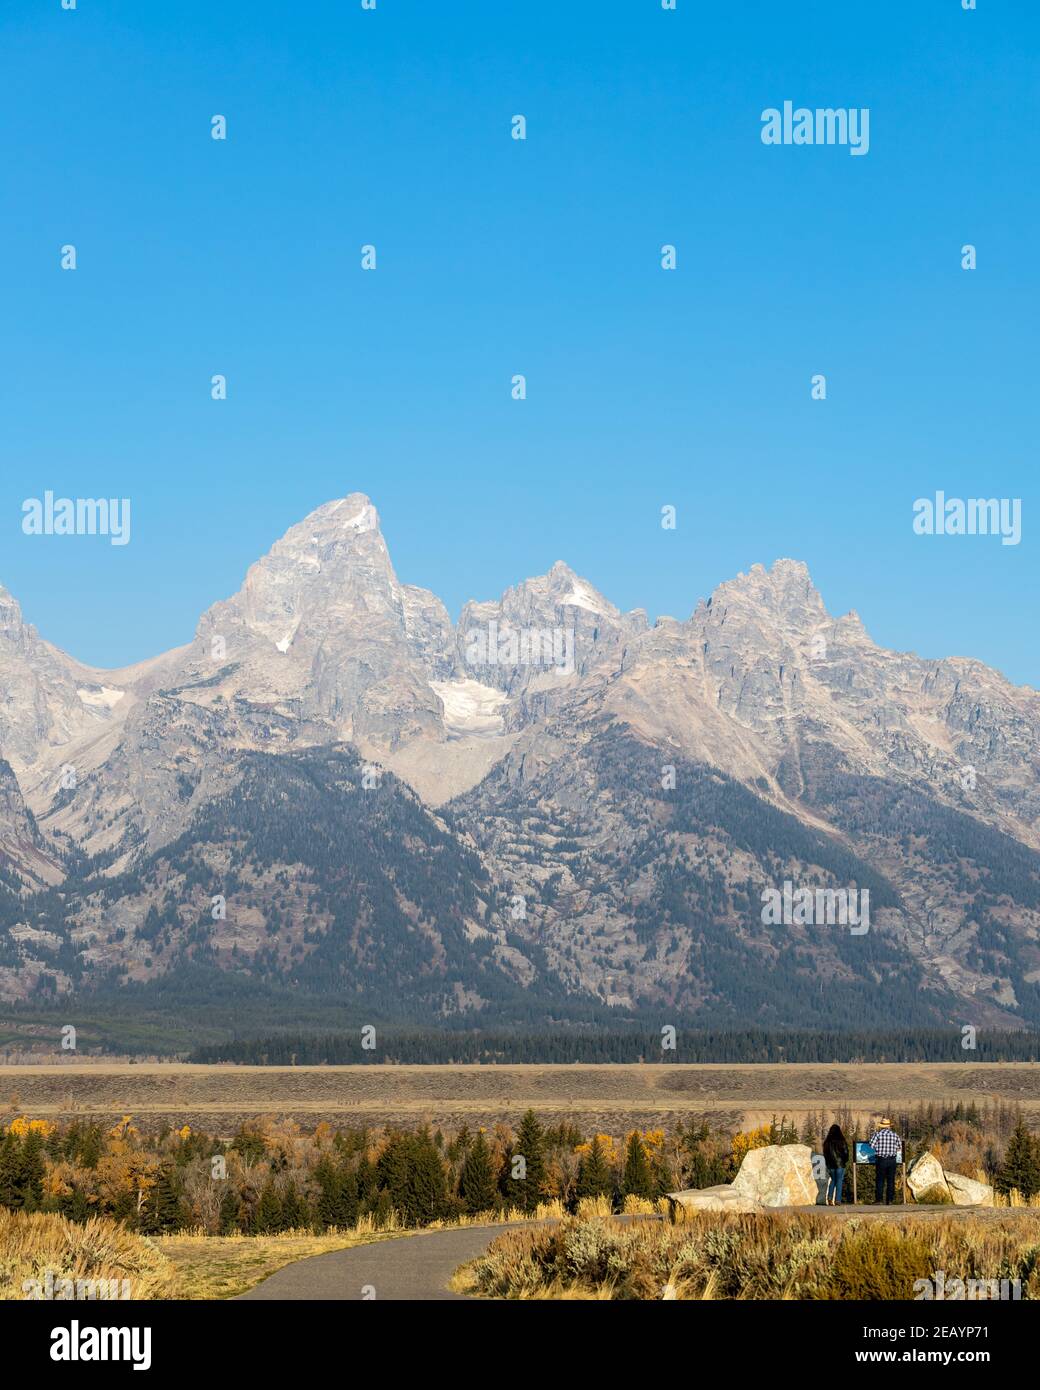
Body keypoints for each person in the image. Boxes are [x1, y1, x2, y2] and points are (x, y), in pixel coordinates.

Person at [869, 1117, 903, 1205]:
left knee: (880, 1180)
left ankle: (879, 1200)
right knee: (891, 1180)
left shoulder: (877, 1134)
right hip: (892, 1160)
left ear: (881, 1126)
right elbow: (899, 1147)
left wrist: (879, 1148)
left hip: (881, 1160)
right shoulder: (895, 1135)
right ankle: (890, 1200)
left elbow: (871, 1145)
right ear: (889, 1126)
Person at [823, 1123, 849, 1206]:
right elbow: (846, 1153)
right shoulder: (841, 1141)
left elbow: (825, 1155)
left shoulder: (826, 1142)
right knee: (839, 1182)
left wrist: (828, 1164)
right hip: (840, 1165)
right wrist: (844, 1161)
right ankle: (838, 1200)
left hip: (830, 1165)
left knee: (833, 1180)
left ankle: (830, 1198)